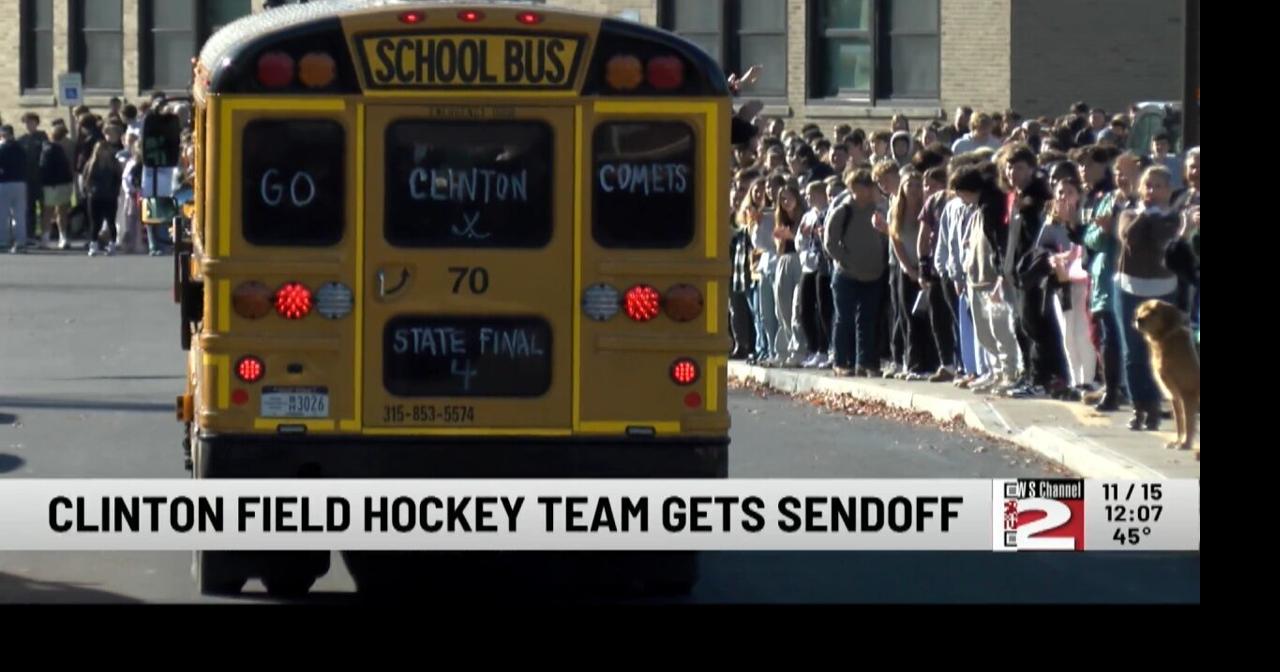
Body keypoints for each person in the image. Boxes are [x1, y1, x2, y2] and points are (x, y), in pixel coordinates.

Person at [1115, 166, 1181, 431]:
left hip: (1163, 288)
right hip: (1130, 288)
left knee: (1159, 351)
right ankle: (1138, 406)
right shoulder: (1130, 214)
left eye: (1158, 186)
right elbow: (1128, 238)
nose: (1152, 191)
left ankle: (1154, 406)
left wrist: (1158, 217)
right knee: (1133, 351)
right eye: (1148, 186)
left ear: (1169, 190)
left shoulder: (1174, 218)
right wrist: (1144, 215)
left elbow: (1160, 242)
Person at [825, 168, 889, 377]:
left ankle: (866, 362)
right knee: (844, 318)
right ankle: (841, 360)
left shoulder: (878, 210)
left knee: (868, 320)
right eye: (863, 186)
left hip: (874, 273)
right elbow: (830, 242)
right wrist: (845, 260)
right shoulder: (843, 210)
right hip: (847, 275)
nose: (868, 190)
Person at [1041, 173, 1095, 398]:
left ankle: (1088, 380)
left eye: (1070, 192)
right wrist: (1053, 259)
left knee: (1083, 331)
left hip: (1082, 282)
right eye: (1060, 192)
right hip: (1061, 282)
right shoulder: (1051, 222)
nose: (1064, 197)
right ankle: (1074, 378)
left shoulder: (1084, 219)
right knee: (1067, 332)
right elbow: (1041, 249)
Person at [889, 170, 935, 380]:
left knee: (929, 316)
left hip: (926, 267)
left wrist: (923, 268)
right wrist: (908, 268)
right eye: (910, 185)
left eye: (918, 185)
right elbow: (896, 241)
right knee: (908, 316)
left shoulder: (928, 208)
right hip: (906, 268)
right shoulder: (896, 211)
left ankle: (930, 364)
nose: (914, 189)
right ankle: (912, 362)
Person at [795, 179, 832, 368]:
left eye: (811, 194)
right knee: (804, 308)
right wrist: (802, 235)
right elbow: (798, 243)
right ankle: (813, 348)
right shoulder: (808, 216)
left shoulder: (827, 212)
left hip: (823, 266)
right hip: (808, 266)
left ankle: (825, 349)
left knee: (824, 308)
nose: (807, 198)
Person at [772, 183, 808, 366]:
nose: (786, 202)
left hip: (800, 260)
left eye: (788, 197)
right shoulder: (781, 218)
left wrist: (791, 235)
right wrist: (780, 239)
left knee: (797, 307)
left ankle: (799, 349)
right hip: (784, 261)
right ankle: (785, 348)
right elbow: (779, 249)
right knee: (782, 307)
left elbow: (804, 241)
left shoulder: (804, 216)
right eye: (782, 199)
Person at [82, 122, 125, 256]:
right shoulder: (91, 164)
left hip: (110, 196)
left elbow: (118, 179)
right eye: (100, 150)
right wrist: (89, 191)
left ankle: (112, 243)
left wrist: (115, 191)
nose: (102, 153)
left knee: (111, 221)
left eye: (104, 150)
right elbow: (86, 179)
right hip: (95, 196)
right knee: (95, 222)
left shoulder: (113, 164)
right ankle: (93, 244)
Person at [39, 126, 75, 249]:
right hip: (56, 184)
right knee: (56, 211)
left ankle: (52, 237)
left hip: (55, 184)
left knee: (55, 211)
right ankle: (54, 237)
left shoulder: (49, 148)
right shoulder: (53, 149)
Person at [19, 113, 48, 245]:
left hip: (41, 178)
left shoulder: (42, 137)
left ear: (36, 123)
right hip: (27, 178)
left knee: (44, 207)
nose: (29, 125)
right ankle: (30, 233)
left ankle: (44, 232)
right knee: (29, 207)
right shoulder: (22, 140)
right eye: (26, 123)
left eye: (31, 122)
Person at [0, 125, 29, 253]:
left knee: (3, 214)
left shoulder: (2, 148)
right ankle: (21, 240)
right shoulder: (21, 148)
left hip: (5, 182)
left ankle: (4, 240)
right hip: (20, 182)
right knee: (19, 214)